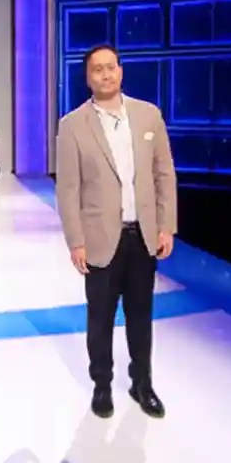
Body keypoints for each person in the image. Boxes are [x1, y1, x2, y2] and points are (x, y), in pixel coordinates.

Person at [54, 44, 177, 419]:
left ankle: (143, 383)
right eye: (97, 70)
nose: (105, 75)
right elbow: (69, 188)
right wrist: (76, 240)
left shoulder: (148, 115)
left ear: (120, 72)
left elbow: (163, 174)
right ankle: (102, 385)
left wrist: (166, 226)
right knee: (101, 318)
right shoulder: (72, 125)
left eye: (111, 68)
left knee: (141, 315)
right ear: (87, 77)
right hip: (99, 238)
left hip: (143, 236)